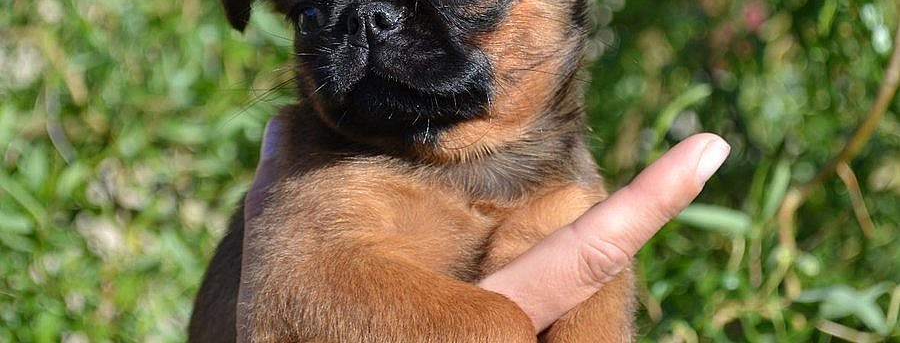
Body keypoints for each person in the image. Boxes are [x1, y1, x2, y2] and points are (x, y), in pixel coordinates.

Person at [239, 117, 730, 336]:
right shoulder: (328, 177)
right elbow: (312, 282)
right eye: (312, 14)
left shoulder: (567, 196)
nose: (370, 26)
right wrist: (493, 325)